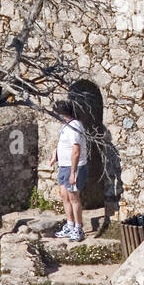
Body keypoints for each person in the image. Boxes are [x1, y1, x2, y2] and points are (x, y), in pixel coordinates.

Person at [49, 101, 88, 244]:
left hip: (75, 167)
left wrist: (73, 172)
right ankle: (70, 225)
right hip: (64, 166)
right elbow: (62, 144)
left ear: (62, 113)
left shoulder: (75, 126)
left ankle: (78, 228)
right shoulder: (66, 125)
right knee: (65, 196)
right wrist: (55, 155)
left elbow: (76, 151)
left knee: (73, 197)